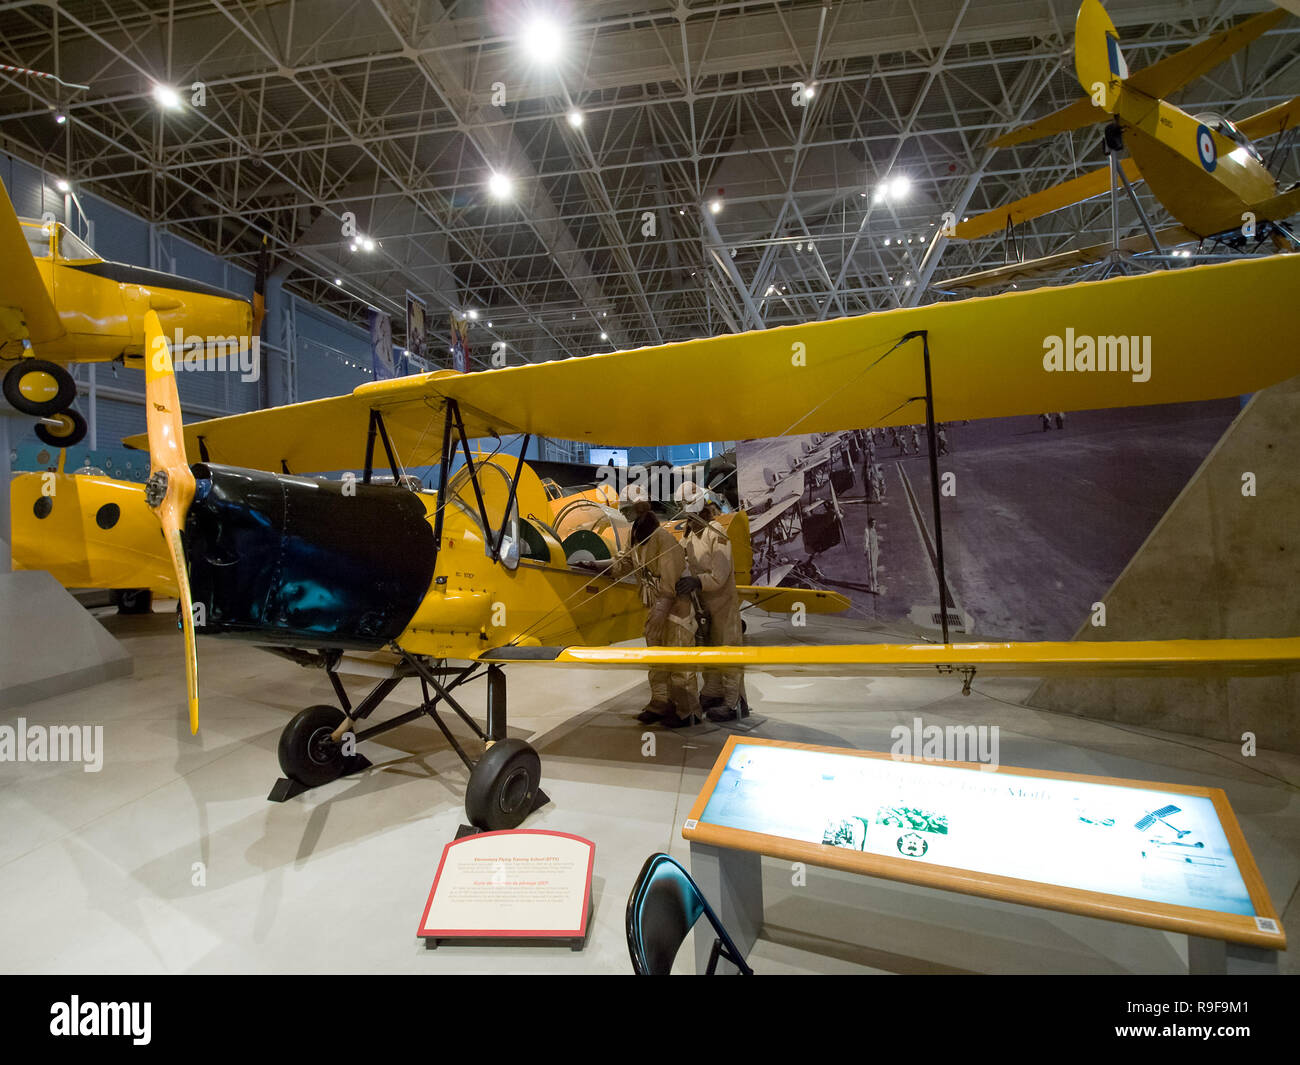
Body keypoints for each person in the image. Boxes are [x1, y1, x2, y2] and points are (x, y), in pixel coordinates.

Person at [600, 485, 701, 727]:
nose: (623, 514)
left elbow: (670, 580)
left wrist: (660, 610)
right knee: (657, 659)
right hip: (653, 604)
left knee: (679, 661)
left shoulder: (662, 539)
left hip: (676, 609)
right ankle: (660, 703)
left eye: (626, 509)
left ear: (639, 509)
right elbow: (625, 562)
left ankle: (688, 712)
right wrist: (597, 567)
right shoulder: (635, 534)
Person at [675, 483, 747, 722]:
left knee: (727, 651)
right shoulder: (691, 536)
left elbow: (719, 575)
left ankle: (734, 703)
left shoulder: (717, 533)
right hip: (704, 606)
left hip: (723, 604)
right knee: (709, 651)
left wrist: (696, 581)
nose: (688, 519)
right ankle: (714, 693)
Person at [864, 516, 881, 592]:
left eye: (875, 523)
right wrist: (866, 551)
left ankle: (875, 582)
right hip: (870, 551)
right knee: (870, 568)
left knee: (874, 567)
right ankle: (871, 587)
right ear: (869, 523)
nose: (874, 524)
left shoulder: (873, 529)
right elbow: (865, 542)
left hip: (875, 550)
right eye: (872, 523)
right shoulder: (867, 531)